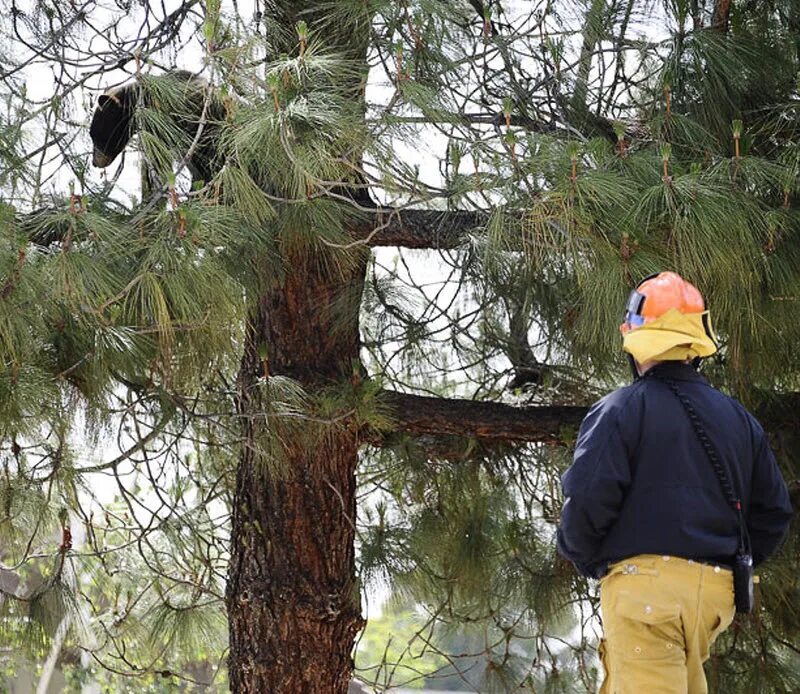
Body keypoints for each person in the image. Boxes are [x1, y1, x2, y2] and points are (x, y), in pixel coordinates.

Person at [556, 271, 793, 694]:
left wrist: (588, 558)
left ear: (635, 339)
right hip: (712, 601)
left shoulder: (620, 410)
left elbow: (588, 499)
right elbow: (773, 513)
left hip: (646, 597)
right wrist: (723, 563)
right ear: (695, 343)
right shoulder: (741, 421)